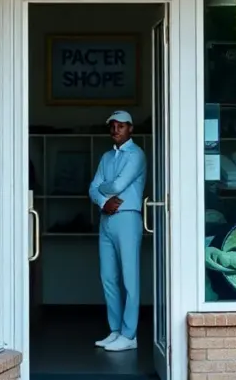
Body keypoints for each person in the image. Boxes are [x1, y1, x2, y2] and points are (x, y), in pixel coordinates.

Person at [88, 110, 146, 353]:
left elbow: (118, 184)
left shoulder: (136, 154)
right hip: (107, 217)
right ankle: (115, 330)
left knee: (129, 278)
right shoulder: (106, 157)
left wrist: (103, 188)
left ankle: (129, 333)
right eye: (113, 126)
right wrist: (103, 202)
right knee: (108, 276)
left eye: (121, 126)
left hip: (128, 218)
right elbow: (92, 188)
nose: (116, 130)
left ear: (130, 128)